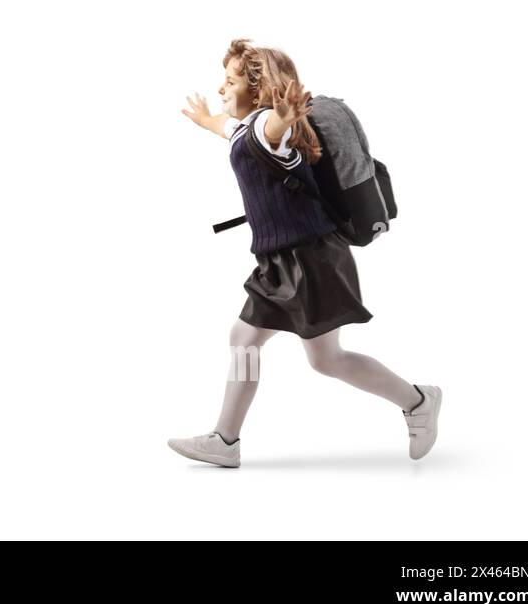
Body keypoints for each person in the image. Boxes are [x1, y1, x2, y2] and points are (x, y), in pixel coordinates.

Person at [168, 38, 441, 468]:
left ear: (259, 92)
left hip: (312, 261)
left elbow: (270, 133)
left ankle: (419, 400)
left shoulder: (267, 128)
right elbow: (230, 128)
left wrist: (281, 118)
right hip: (281, 261)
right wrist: (206, 120)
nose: (222, 88)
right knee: (251, 341)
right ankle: (225, 439)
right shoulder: (245, 129)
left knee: (325, 359)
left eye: (231, 80)